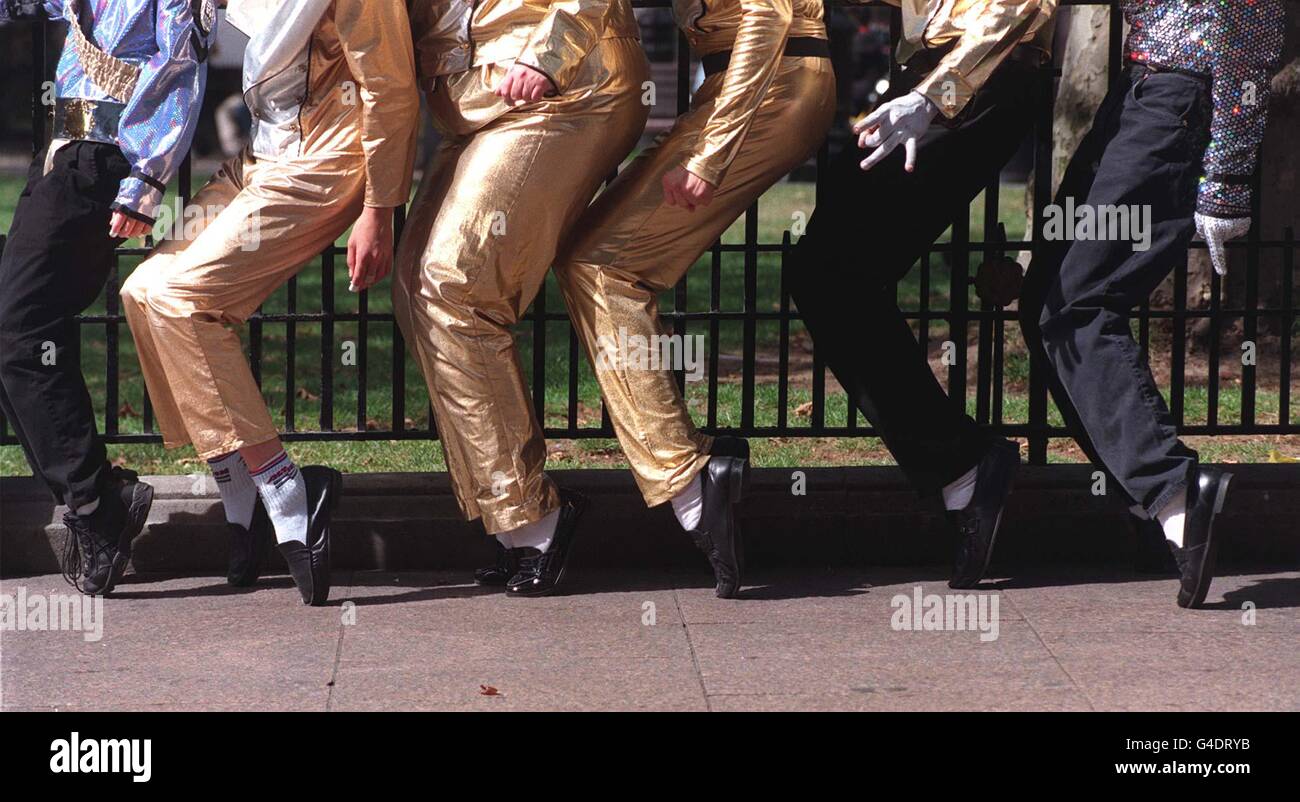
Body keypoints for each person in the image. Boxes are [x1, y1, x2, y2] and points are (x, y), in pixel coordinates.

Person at [522, 0, 837, 599]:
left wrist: (711, 153)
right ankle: (696, 479)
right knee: (594, 261)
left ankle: (693, 486)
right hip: (762, 79)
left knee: (601, 266)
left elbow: (765, 16)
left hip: (771, 80)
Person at [121, 0, 419, 605]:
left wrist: (379, 211)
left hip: (323, 164)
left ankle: (285, 492)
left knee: (183, 298)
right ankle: (242, 499)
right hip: (259, 159)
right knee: (144, 291)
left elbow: (393, 90)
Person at [1019, 0, 1285, 608]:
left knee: (1079, 305)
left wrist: (1226, 181)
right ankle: (1152, 507)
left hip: (1179, 98)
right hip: (1141, 91)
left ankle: (1174, 496)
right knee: (1048, 303)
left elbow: (1251, 35)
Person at [787, 0, 1058, 589]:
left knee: (826, 273)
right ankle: (961, 466)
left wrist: (937, 97)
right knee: (827, 274)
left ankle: (961, 464)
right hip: (923, 81)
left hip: (980, 75)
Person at [392, 0, 651, 597]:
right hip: (479, 98)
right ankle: (510, 522)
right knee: (414, 293)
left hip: (562, 79)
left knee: (454, 287)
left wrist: (548, 54)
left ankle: (535, 519)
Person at [0, 0, 217, 596]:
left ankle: (97, 505)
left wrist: (144, 180)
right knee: (25, 332)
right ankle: (96, 497)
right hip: (64, 155)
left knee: (19, 332)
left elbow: (181, 64)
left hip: (103, 163)